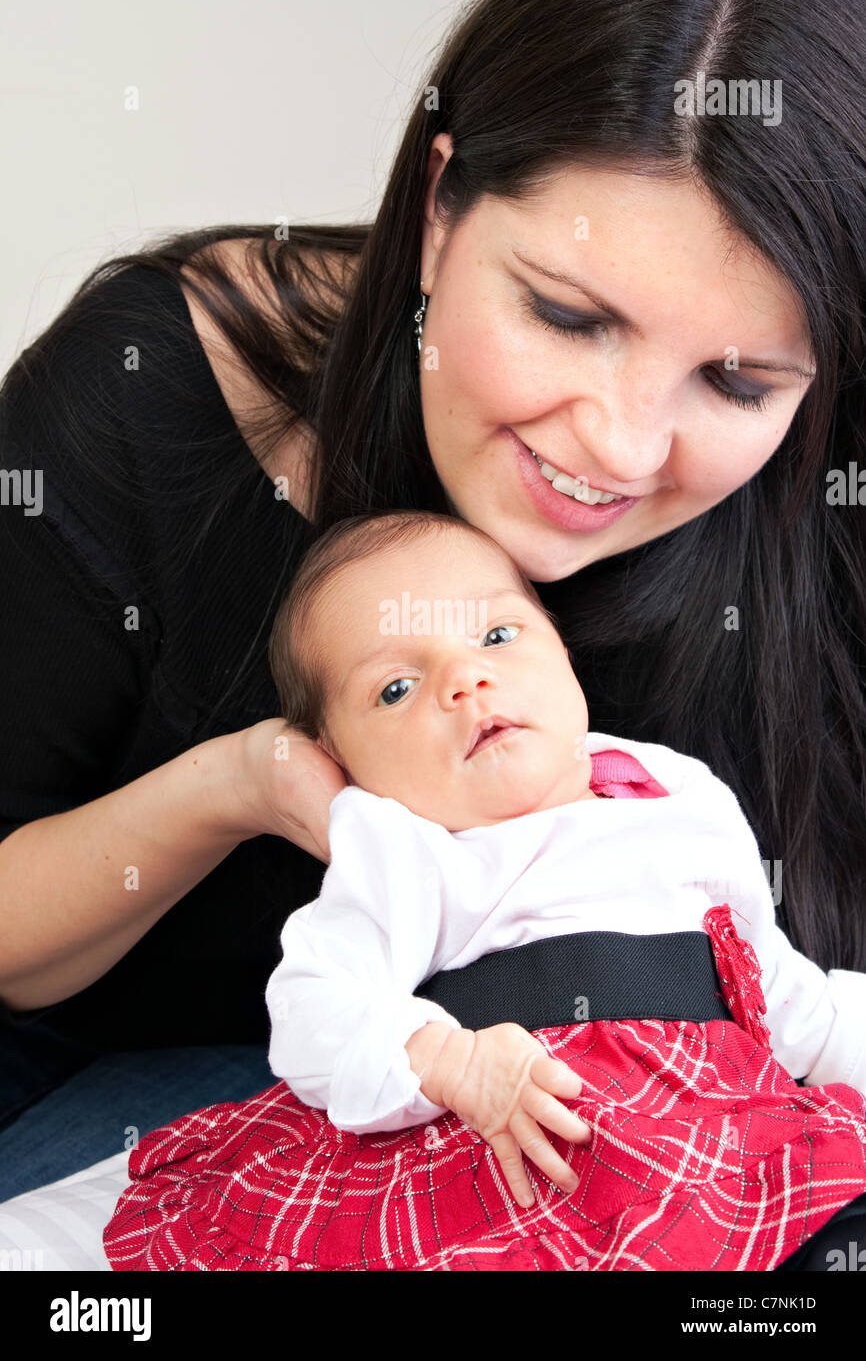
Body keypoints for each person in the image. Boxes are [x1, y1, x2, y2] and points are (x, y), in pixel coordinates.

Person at [2, 0, 866, 1207]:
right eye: (567, 316)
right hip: (128, 1083)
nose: (620, 449)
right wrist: (234, 787)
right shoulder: (147, 403)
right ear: (436, 211)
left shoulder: (818, 492)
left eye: (735, 384)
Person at [102, 511, 866, 1272]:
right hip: (520, 1156)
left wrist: (843, 1034)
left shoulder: (679, 793)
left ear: (562, 649)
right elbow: (315, 1009)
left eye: (497, 637)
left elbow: (768, 987)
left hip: (708, 1133)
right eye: (396, 688)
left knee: (825, 1206)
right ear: (340, 758)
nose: (465, 680)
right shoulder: (405, 847)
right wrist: (449, 1062)